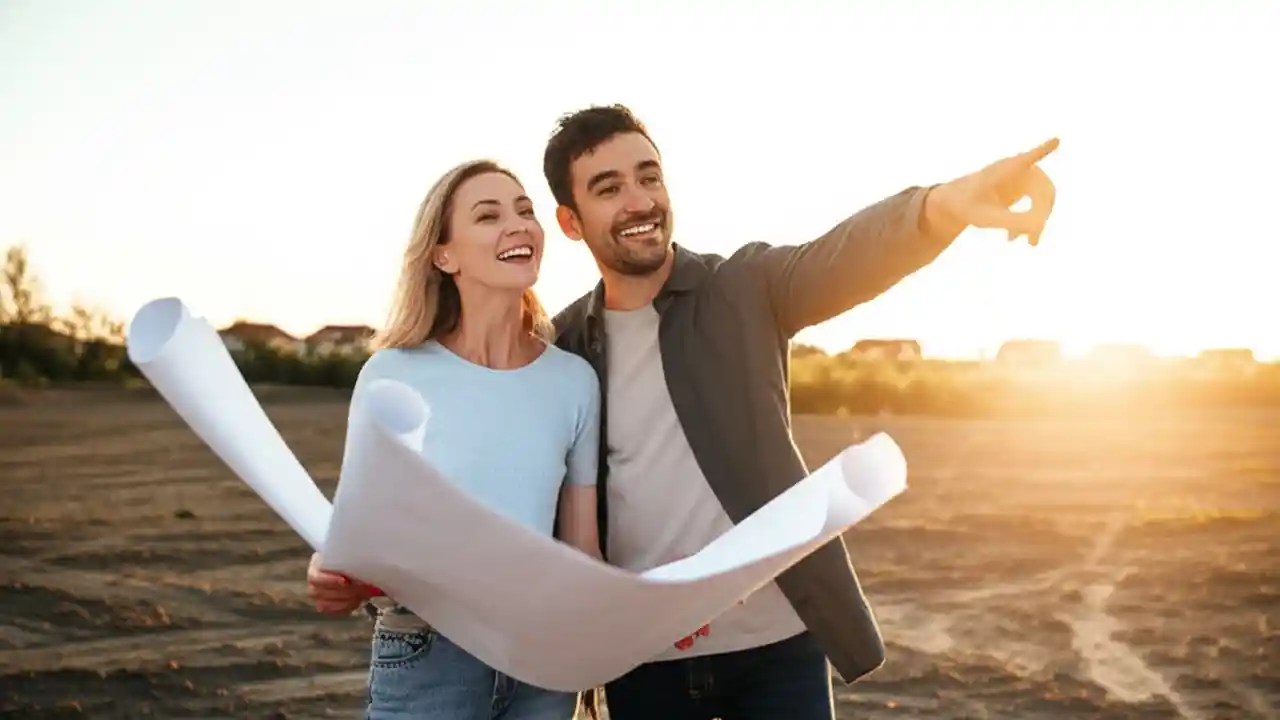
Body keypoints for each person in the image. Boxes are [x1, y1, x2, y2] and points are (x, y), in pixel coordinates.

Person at [311, 105, 1059, 719]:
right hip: (648, 667)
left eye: (649, 176)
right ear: (572, 222)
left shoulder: (745, 289)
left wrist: (945, 207)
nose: (638, 200)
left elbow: (848, 254)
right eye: (608, 187)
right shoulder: (568, 348)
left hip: (776, 650)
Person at [309, 158, 602, 720]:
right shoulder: (391, 373)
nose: (518, 226)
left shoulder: (574, 382)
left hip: (542, 657)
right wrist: (328, 570)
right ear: (445, 256)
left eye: (525, 210)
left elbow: (582, 553)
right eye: (488, 216)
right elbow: (358, 530)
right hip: (429, 653)